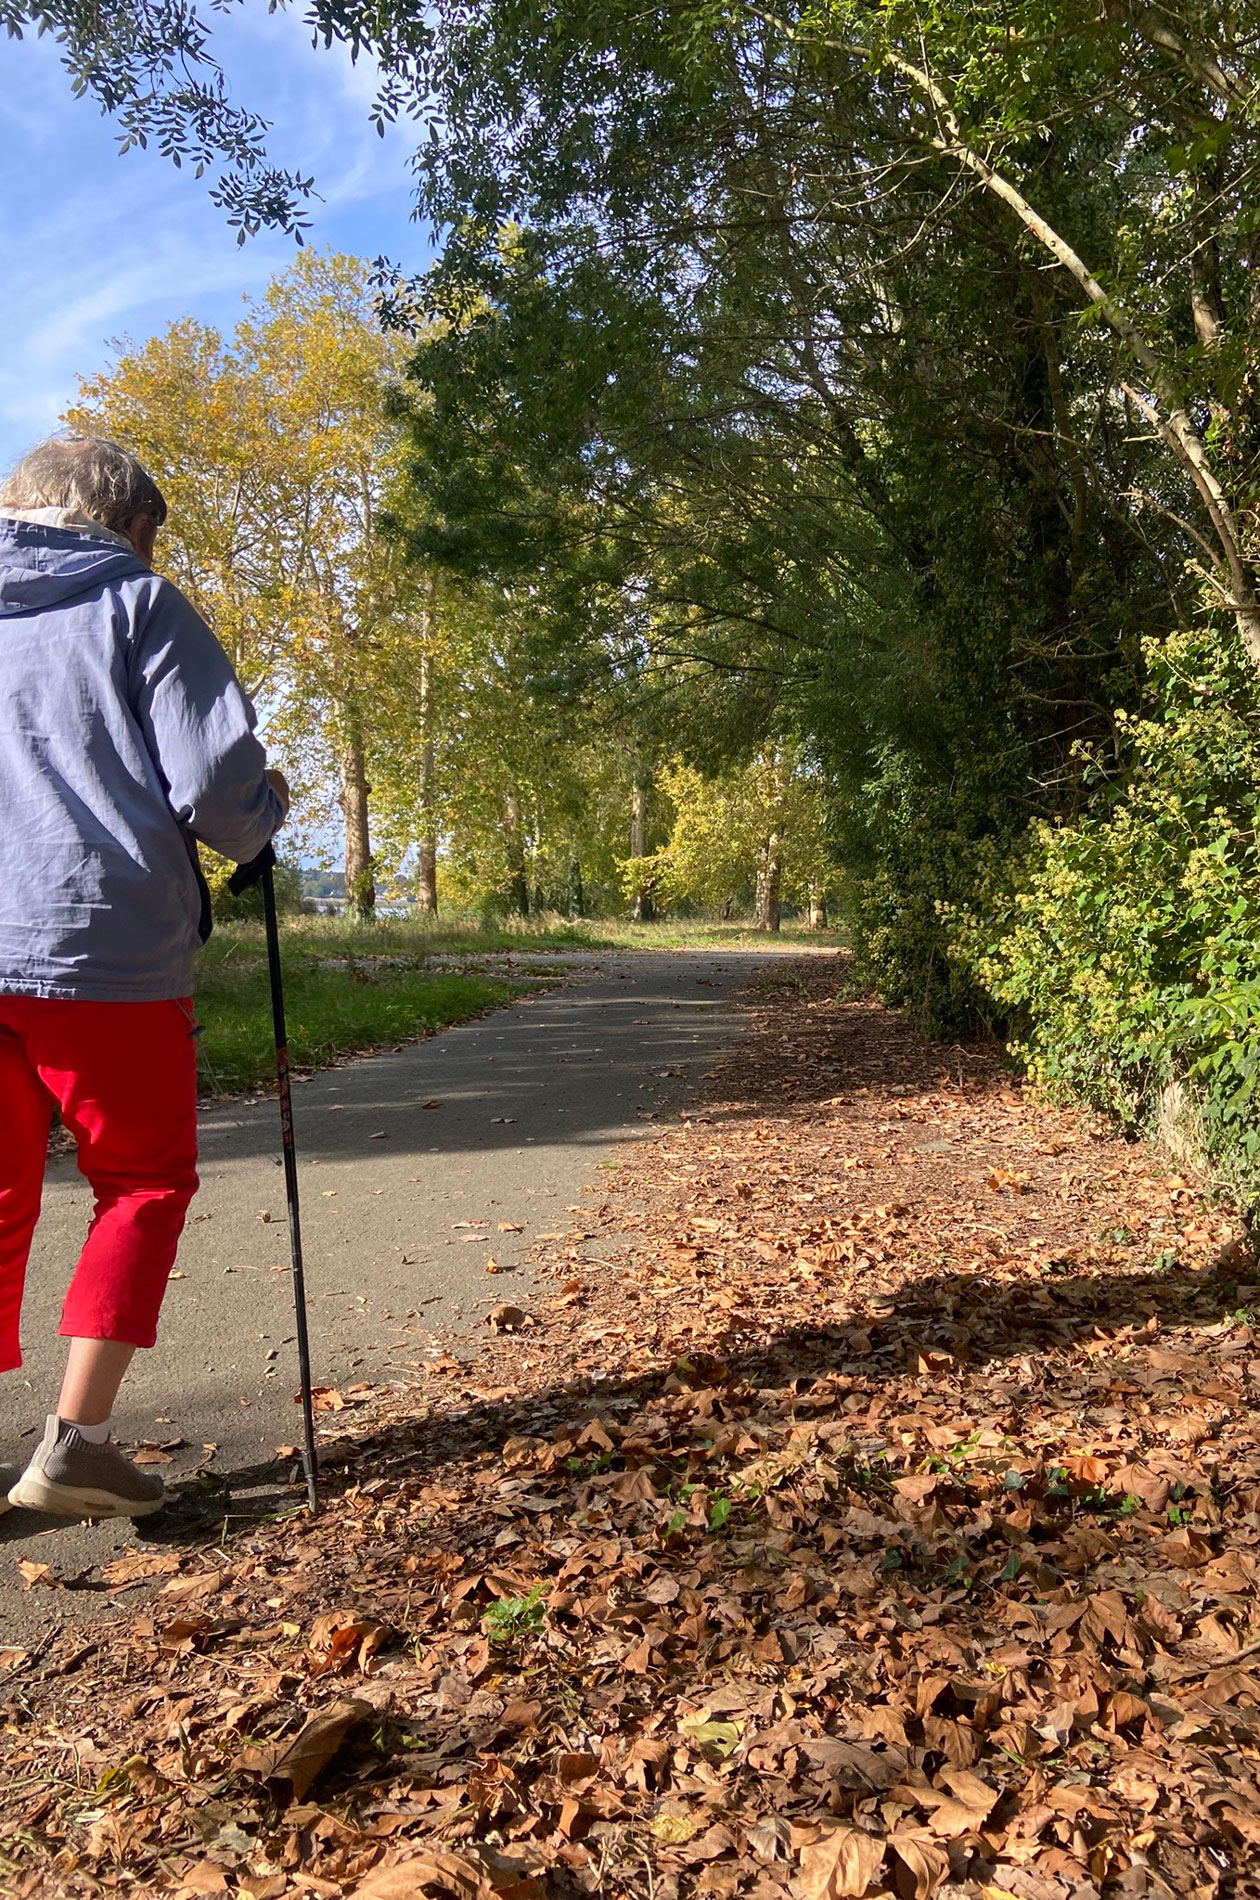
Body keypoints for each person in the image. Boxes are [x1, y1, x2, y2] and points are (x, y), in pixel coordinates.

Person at [0, 434, 288, 1519]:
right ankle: (75, 1443)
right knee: (140, 1182)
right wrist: (261, 820)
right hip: (100, 947)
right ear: (128, 525)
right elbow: (216, 782)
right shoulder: (138, 604)